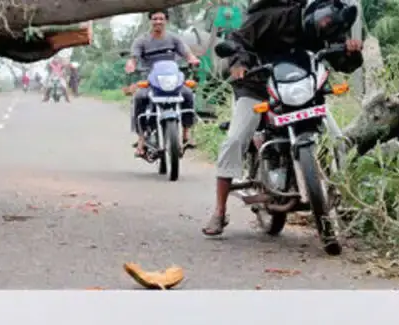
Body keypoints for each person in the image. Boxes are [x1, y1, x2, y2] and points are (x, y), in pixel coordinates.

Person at [202, 0, 363, 236]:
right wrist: (239, 64)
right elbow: (238, 41)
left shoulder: (323, 19)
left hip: (304, 89)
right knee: (235, 140)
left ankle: (347, 202)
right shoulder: (267, 14)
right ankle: (219, 210)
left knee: (340, 139)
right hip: (257, 86)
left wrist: (350, 51)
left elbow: (341, 60)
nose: (326, 27)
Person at [125, 9, 201, 157]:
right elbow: (133, 57)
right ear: (150, 21)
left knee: (188, 94)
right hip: (149, 79)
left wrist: (192, 59)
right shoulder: (142, 40)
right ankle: (141, 138)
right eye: (155, 19)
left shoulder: (174, 38)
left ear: (166, 20)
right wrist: (131, 64)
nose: (158, 22)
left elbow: (187, 53)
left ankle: (186, 134)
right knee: (139, 97)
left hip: (172, 78)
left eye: (161, 18)